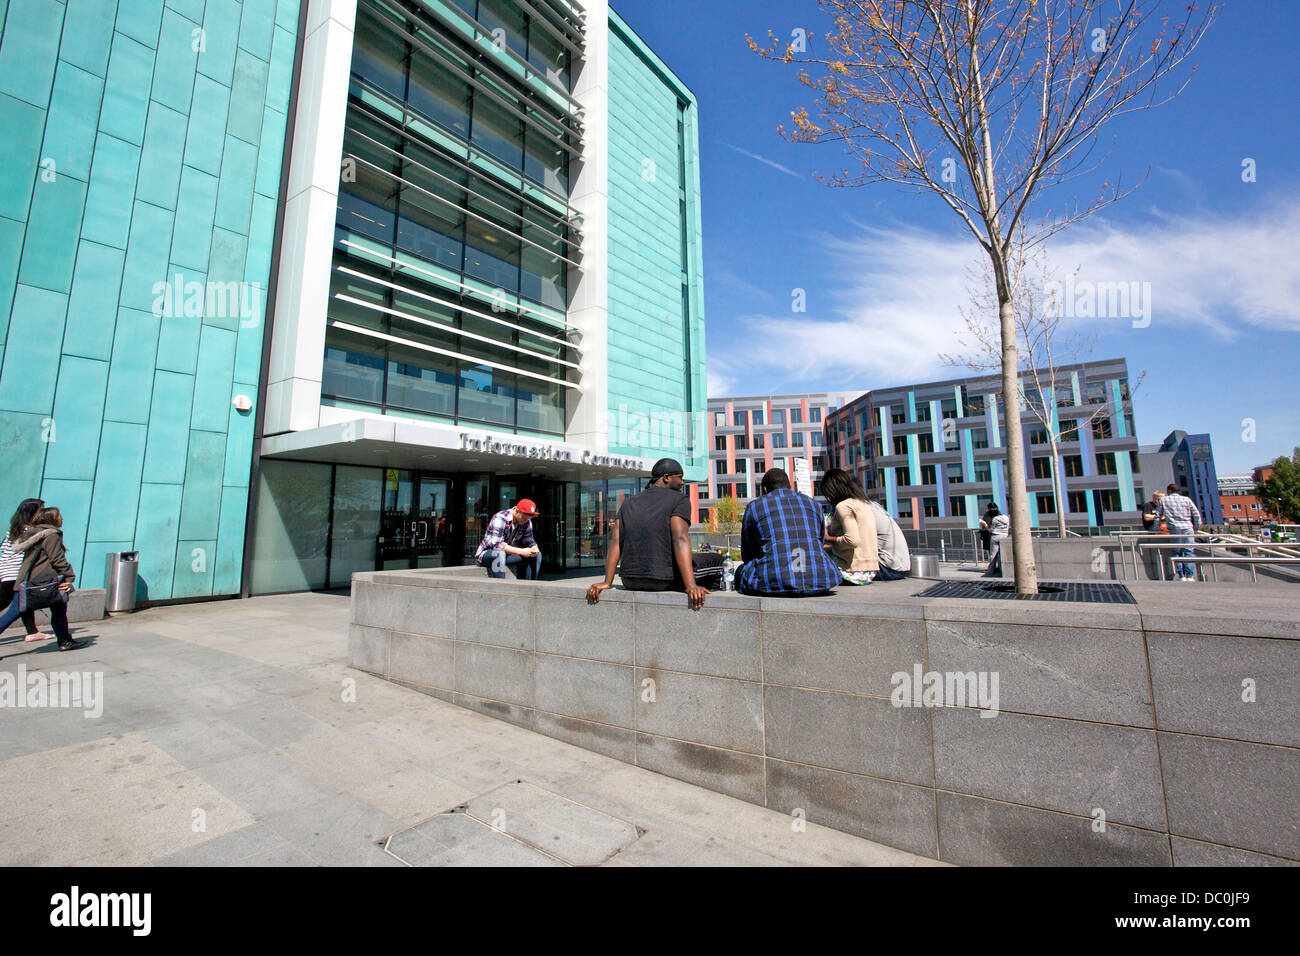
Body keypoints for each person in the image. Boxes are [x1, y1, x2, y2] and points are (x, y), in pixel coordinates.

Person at [586, 458, 708, 609]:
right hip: (663, 580)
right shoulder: (679, 499)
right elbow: (680, 539)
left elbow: (616, 541)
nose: (682, 483)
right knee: (714, 561)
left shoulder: (629, 503)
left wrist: (607, 582)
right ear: (667, 478)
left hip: (630, 580)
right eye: (680, 478)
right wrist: (690, 585)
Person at [735, 468, 841, 597]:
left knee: (740, 571)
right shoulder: (814, 505)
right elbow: (820, 541)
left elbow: (748, 552)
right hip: (821, 579)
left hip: (774, 582)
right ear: (790, 486)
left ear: (765, 490)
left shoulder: (755, 506)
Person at [0, 508, 83, 651]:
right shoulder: (51, 535)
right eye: (59, 516)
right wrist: (69, 577)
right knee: (14, 613)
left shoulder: (32, 533)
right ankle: (64, 641)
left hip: (26, 581)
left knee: (58, 609)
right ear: (51, 519)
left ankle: (65, 640)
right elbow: (57, 559)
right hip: (45, 581)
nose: (62, 519)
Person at [819, 469, 879, 585]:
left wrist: (828, 538)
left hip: (852, 572)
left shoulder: (843, 506)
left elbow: (852, 540)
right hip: (869, 572)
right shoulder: (864, 504)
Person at [0, 498, 46, 642]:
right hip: (15, 573)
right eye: (41, 510)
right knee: (15, 605)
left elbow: (4, 550)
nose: (43, 514)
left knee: (24, 602)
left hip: (6, 571)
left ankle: (33, 631)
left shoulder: (14, 529)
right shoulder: (31, 531)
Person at [474, 499, 542, 579]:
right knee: (499, 553)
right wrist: (522, 551)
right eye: (523, 518)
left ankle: (531, 587)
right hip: (487, 554)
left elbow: (529, 541)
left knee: (537, 555)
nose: (525, 521)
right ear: (516, 511)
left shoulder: (527, 522)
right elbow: (497, 545)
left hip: (507, 555)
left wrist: (534, 548)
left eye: (528, 518)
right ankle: (501, 586)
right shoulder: (501, 517)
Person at [1155, 483, 1202, 581]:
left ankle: (1181, 575)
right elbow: (1196, 515)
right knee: (1189, 551)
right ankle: (1190, 575)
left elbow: (1158, 515)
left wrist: (1157, 529)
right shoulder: (1186, 499)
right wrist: (1196, 528)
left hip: (1174, 528)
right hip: (1188, 527)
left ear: (1169, 490)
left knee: (1177, 552)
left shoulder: (1164, 500)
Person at [867, 495, 912, 580]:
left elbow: (854, 541)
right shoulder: (874, 506)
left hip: (888, 569)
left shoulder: (860, 509)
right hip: (900, 567)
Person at [984, 503, 1010, 576]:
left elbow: (991, 530)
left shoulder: (995, 519)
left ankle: (991, 571)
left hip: (995, 536)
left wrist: (986, 526)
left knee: (994, 554)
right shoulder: (1006, 517)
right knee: (1002, 554)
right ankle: (1002, 569)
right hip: (1004, 536)